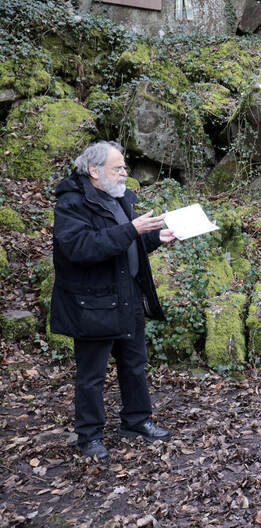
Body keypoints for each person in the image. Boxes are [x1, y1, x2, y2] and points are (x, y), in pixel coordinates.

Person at [51, 141, 176, 459]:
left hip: (126, 296)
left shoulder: (118, 199)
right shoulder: (72, 203)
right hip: (92, 303)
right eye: (117, 167)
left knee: (134, 365)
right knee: (91, 374)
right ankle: (89, 436)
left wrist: (152, 238)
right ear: (94, 171)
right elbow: (79, 247)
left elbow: (125, 246)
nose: (124, 173)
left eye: (124, 167)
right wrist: (132, 230)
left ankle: (137, 421)